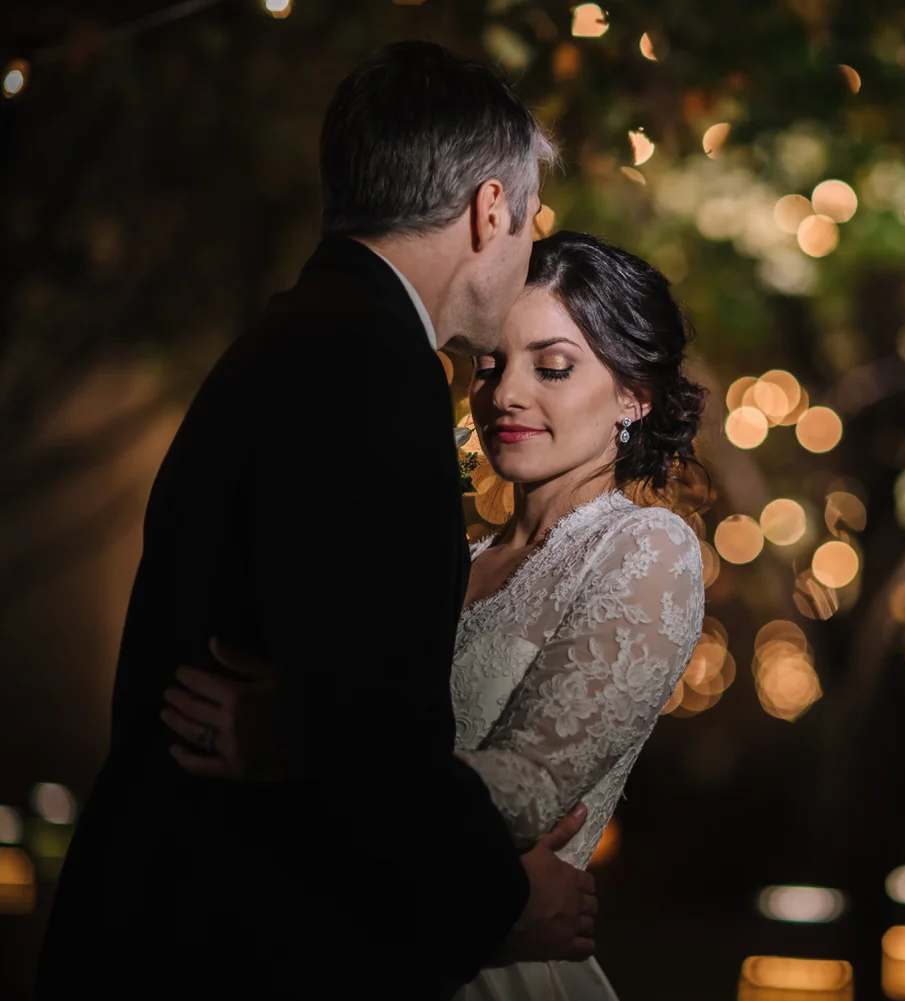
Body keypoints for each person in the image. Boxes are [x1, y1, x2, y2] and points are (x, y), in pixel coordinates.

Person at [37, 42, 596, 1001]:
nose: (529, 249)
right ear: (489, 209)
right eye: (531, 220)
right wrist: (506, 898)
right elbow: (375, 723)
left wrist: (306, 731)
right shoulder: (370, 374)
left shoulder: (304, 336)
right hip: (215, 951)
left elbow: (335, 698)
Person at [159, 231, 710, 1001]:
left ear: (634, 394)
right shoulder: (449, 556)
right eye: (490, 365)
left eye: (551, 366)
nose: (505, 393)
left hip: (500, 971)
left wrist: (296, 737)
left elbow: (530, 788)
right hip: (363, 945)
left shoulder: (647, 548)